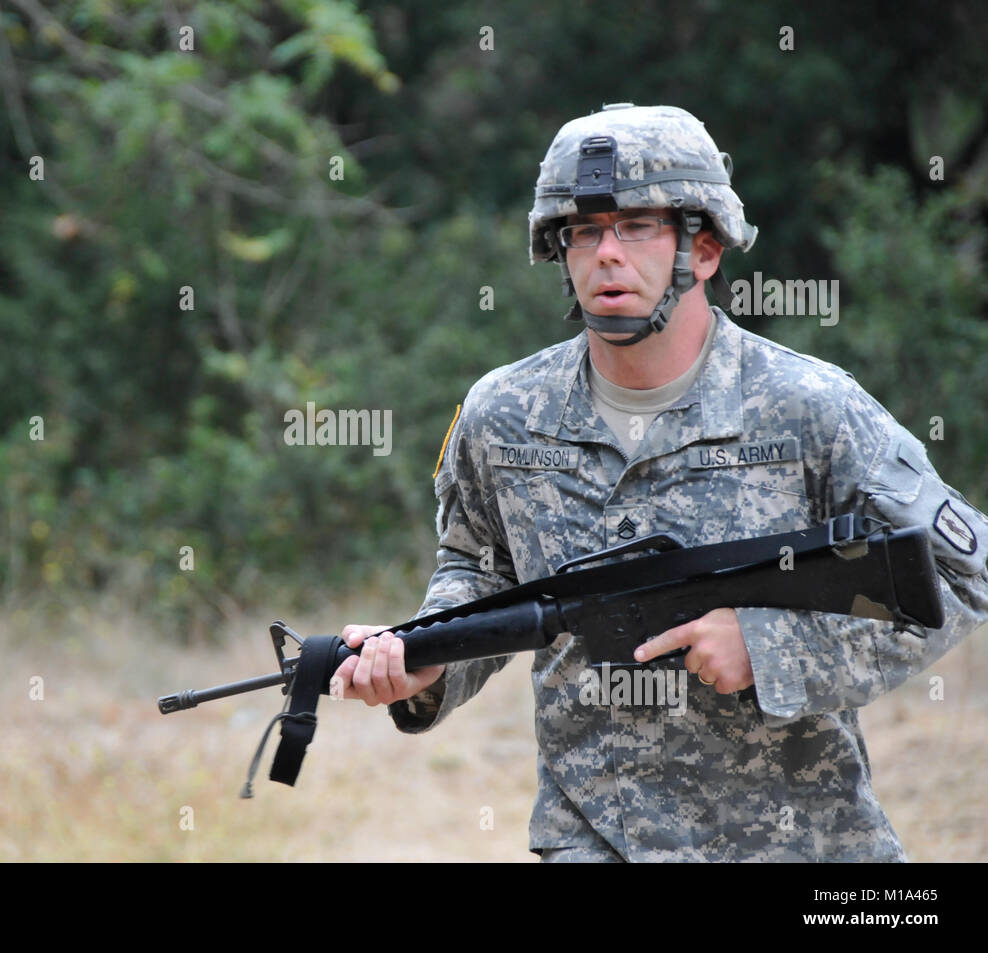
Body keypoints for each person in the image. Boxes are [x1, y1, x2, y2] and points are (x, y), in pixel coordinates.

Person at [331, 103, 988, 861]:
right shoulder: (505, 414)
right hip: (591, 841)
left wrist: (770, 647)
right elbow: (479, 572)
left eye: (637, 227)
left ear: (702, 249)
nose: (607, 254)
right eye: (584, 230)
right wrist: (425, 656)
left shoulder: (808, 407)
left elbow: (963, 573)